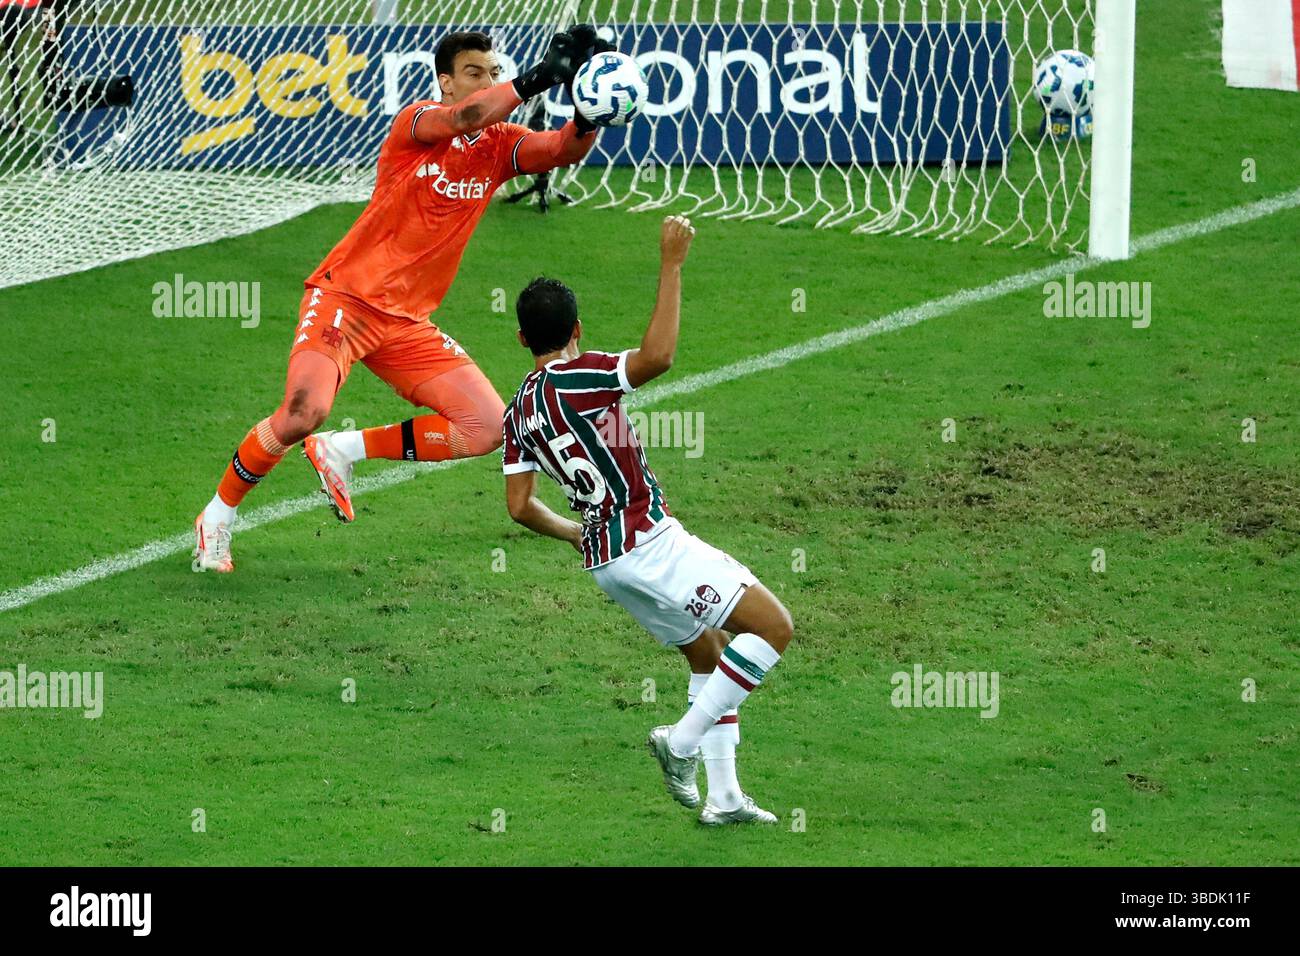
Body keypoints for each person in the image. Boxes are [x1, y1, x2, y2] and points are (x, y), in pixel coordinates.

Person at [194, 26, 612, 572]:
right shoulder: (416, 125)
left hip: (407, 323)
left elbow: (561, 149)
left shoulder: (501, 145)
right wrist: (535, 80)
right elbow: (465, 118)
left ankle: (343, 450)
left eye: (491, 72)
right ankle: (217, 517)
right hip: (346, 299)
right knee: (304, 410)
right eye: (473, 73)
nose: (485, 81)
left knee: (486, 427)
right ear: (446, 82)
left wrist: (590, 109)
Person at [501, 216, 796, 824]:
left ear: (521, 338)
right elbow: (658, 356)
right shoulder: (579, 378)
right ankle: (680, 742)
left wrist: (573, 531)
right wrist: (672, 262)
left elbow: (519, 506)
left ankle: (724, 799)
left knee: (709, 656)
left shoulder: (517, 413)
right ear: (576, 330)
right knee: (773, 628)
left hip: (608, 562)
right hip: (649, 542)